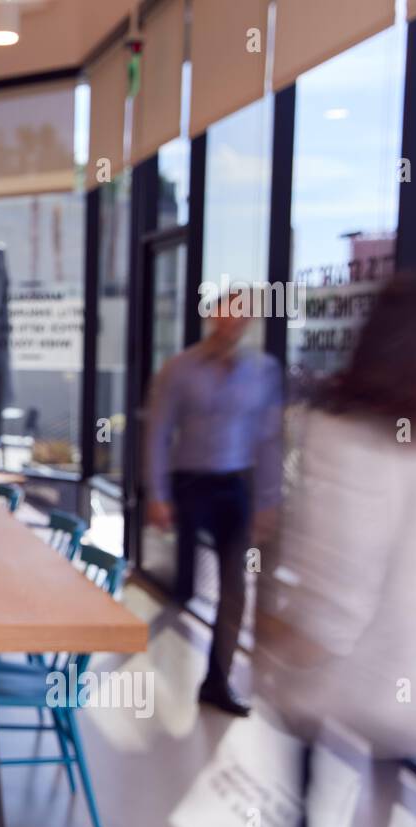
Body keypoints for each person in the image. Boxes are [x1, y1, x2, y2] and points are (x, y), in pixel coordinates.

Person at [253, 273, 416, 827]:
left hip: (336, 669)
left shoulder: (340, 435)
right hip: (415, 669)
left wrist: (283, 641)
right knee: (384, 821)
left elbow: (342, 581)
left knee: (306, 824)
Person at [145, 288, 283, 717]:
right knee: (186, 581)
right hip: (191, 485)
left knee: (234, 586)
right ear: (213, 317)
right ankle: (177, 601)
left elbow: (269, 440)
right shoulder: (179, 369)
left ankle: (217, 681)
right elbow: (158, 433)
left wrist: (267, 499)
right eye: (226, 315)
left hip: (235, 485)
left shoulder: (262, 372)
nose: (232, 324)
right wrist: (158, 494)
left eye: (241, 318)